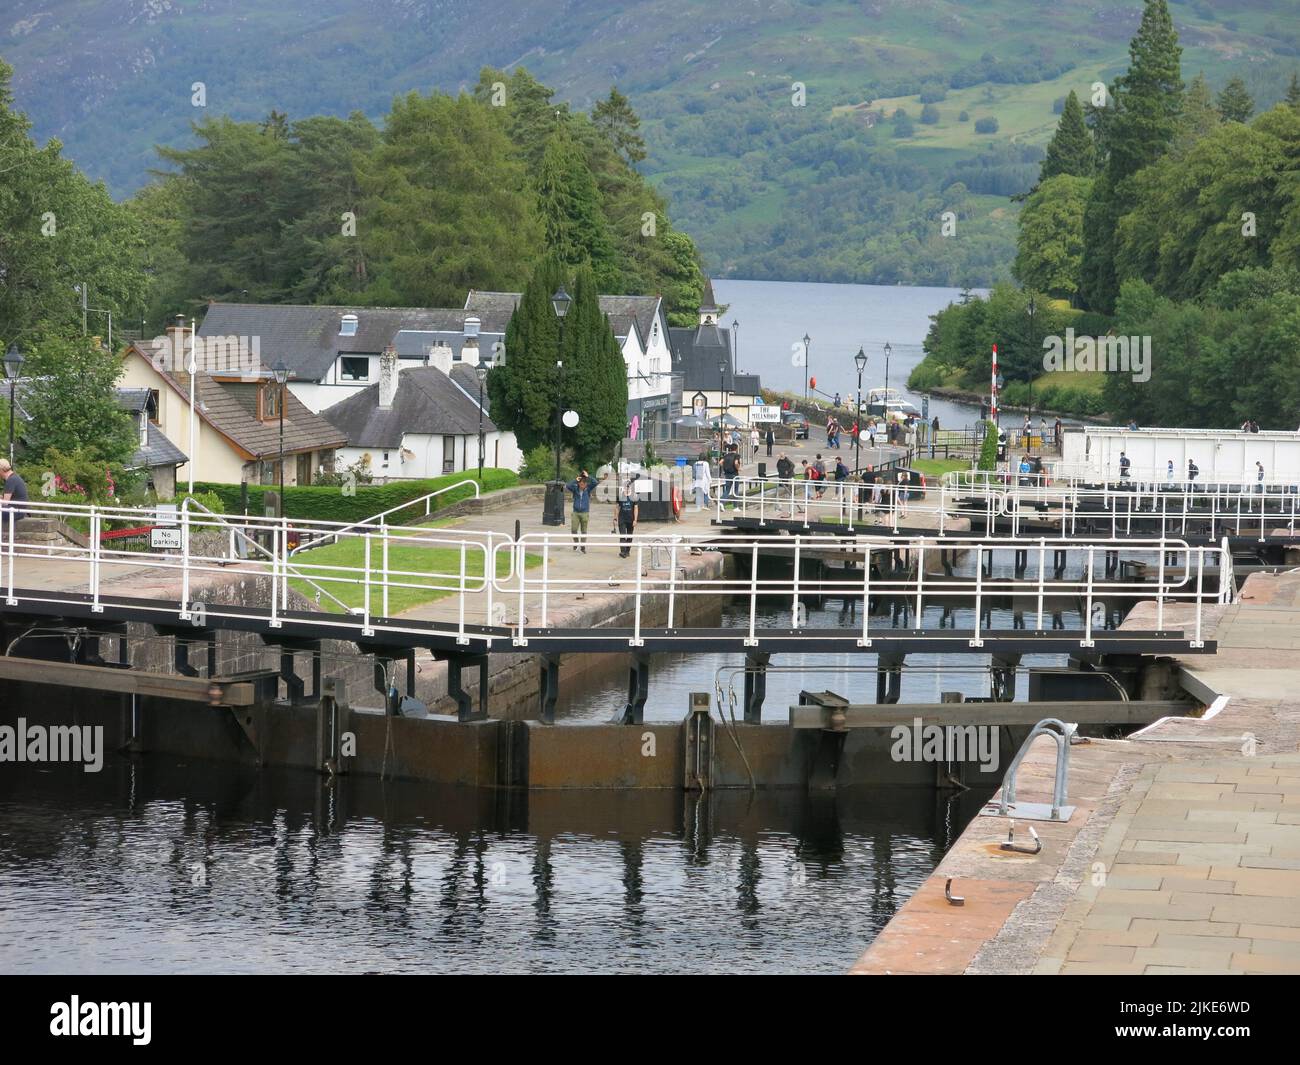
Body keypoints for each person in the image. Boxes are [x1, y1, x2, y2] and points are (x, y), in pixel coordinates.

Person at [565, 470, 602, 552]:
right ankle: (576, 543)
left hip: (585, 512)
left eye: (583, 484)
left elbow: (595, 482)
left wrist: (588, 476)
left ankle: (582, 546)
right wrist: (576, 479)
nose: (582, 485)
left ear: (586, 484)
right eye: (580, 484)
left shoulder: (588, 489)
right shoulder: (575, 489)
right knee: (574, 529)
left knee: (584, 531)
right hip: (576, 512)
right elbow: (567, 485)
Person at [0, 459, 28, 524]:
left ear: (1, 470)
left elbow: (5, 502)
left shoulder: (11, 480)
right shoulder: (14, 477)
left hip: (15, 512)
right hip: (19, 511)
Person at [616, 483, 639, 558]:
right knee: (623, 535)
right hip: (622, 519)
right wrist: (615, 518)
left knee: (629, 536)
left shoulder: (634, 496)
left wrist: (635, 520)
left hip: (630, 519)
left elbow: (635, 508)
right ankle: (623, 552)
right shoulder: (620, 496)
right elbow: (617, 508)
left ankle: (627, 551)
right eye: (626, 487)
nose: (627, 488)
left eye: (629, 487)